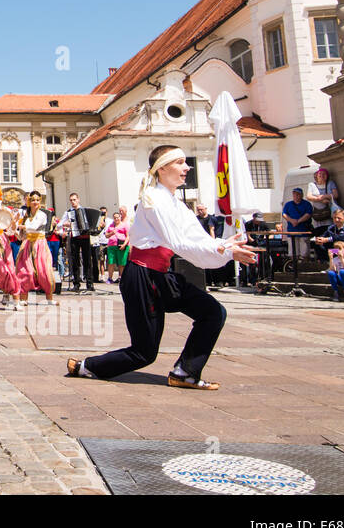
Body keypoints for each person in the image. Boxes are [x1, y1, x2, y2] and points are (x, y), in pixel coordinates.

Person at [68, 145, 258, 390]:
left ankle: (185, 372)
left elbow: (196, 238)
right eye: (180, 162)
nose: (187, 167)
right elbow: (180, 242)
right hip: (141, 277)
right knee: (144, 353)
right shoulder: (153, 200)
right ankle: (87, 366)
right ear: (163, 168)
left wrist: (223, 245)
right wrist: (226, 251)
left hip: (161, 276)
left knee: (213, 312)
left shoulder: (176, 204)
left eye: (185, 162)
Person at [15, 192, 57, 307]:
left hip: (40, 244)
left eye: (37, 200)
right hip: (28, 243)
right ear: (29, 201)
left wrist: (21, 226)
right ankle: (24, 298)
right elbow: (21, 234)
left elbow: (33, 227)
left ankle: (49, 298)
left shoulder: (42, 215)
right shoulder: (26, 215)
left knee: (44, 271)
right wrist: (14, 226)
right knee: (25, 271)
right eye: (33, 200)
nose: (35, 202)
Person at [58, 192, 97, 293]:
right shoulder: (68, 212)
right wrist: (67, 224)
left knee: (87, 260)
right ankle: (76, 283)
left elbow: (91, 223)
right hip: (74, 236)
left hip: (85, 237)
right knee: (75, 260)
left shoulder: (84, 210)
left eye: (74, 200)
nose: (73, 202)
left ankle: (89, 283)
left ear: (78, 199)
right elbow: (60, 224)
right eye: (71, 200)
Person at [307, 167, 339, 240]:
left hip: (329, 215)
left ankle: (333, 251)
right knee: (319, 237)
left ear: (327, 176)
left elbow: (336, 195)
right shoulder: (312, 185)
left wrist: (324, 196)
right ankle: (322, 251)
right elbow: (309, 196)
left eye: (324, 174)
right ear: (316, 176)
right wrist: (321, 199)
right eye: (319, 174)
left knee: (331, 236)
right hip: (318, 216)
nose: (321, 175)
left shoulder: (330, 183)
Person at [102, 208, 130, 285]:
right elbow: (106, 235)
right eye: (115, 217)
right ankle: (110, 278)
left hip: (121, 246)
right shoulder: (111, 225)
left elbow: (128, 236)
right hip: (111, 246)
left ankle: (121, 278)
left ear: (120, 217)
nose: (116, 219)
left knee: (121, 263)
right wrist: (111, 233)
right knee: (111, 262)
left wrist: (124, 245)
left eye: (118, 217)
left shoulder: (124, 225)